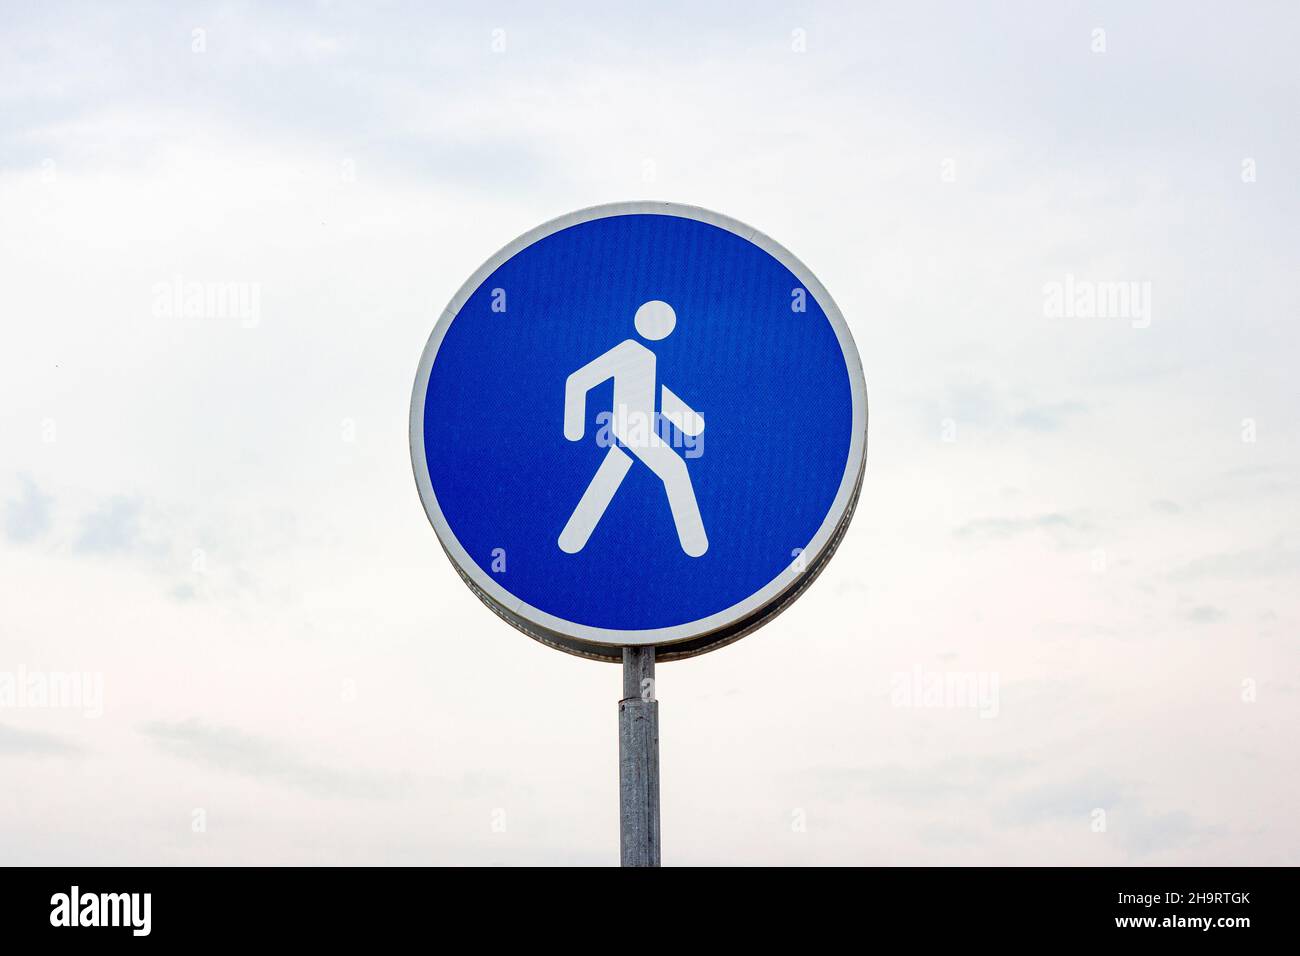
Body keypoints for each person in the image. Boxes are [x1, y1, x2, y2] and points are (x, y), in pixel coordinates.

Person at [558, 300, 708, 557]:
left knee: (609, 476)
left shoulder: (649, 357)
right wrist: (574, 427)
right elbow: (579, 381)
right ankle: (695, 546)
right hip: (631, 429)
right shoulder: (628, 351)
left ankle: (571, 540)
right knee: (675, 469)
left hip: (638, 429)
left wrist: (688, 421)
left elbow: (657, 395)